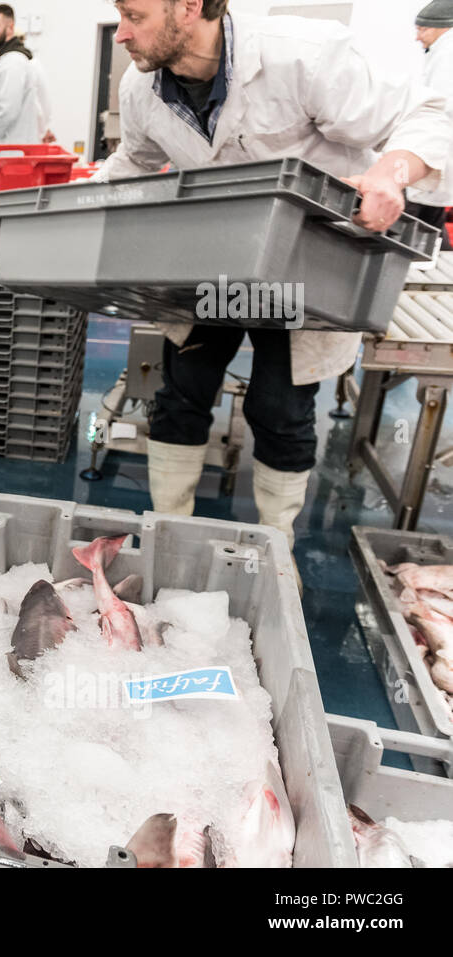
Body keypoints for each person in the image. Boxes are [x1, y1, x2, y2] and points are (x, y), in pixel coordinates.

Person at [101, 0, 449, 568]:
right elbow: (133, 164)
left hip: (308, 268)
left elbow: (426, 112)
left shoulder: (302, 56)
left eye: (134, 15)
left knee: (280, 408)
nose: (122, 34)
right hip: (211, 261)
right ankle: (167, 532)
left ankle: (276, 550)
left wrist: (392, 171)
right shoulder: (142, 89)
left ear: (189, 8)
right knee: (180, 393)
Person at [0, 4, 56, 146]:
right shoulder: (17, 59)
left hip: (12, 147)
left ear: (10, 27)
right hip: (16, 145)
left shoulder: (12, 62)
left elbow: (6, 111)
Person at [409, 1, 453, 230]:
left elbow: (440, 104)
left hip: (430, 153)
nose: (418, 37)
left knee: (413, 225)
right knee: (431, 228)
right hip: (437, 158)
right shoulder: (442, 52)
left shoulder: (447, 53)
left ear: (444, 27)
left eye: (422, 29)